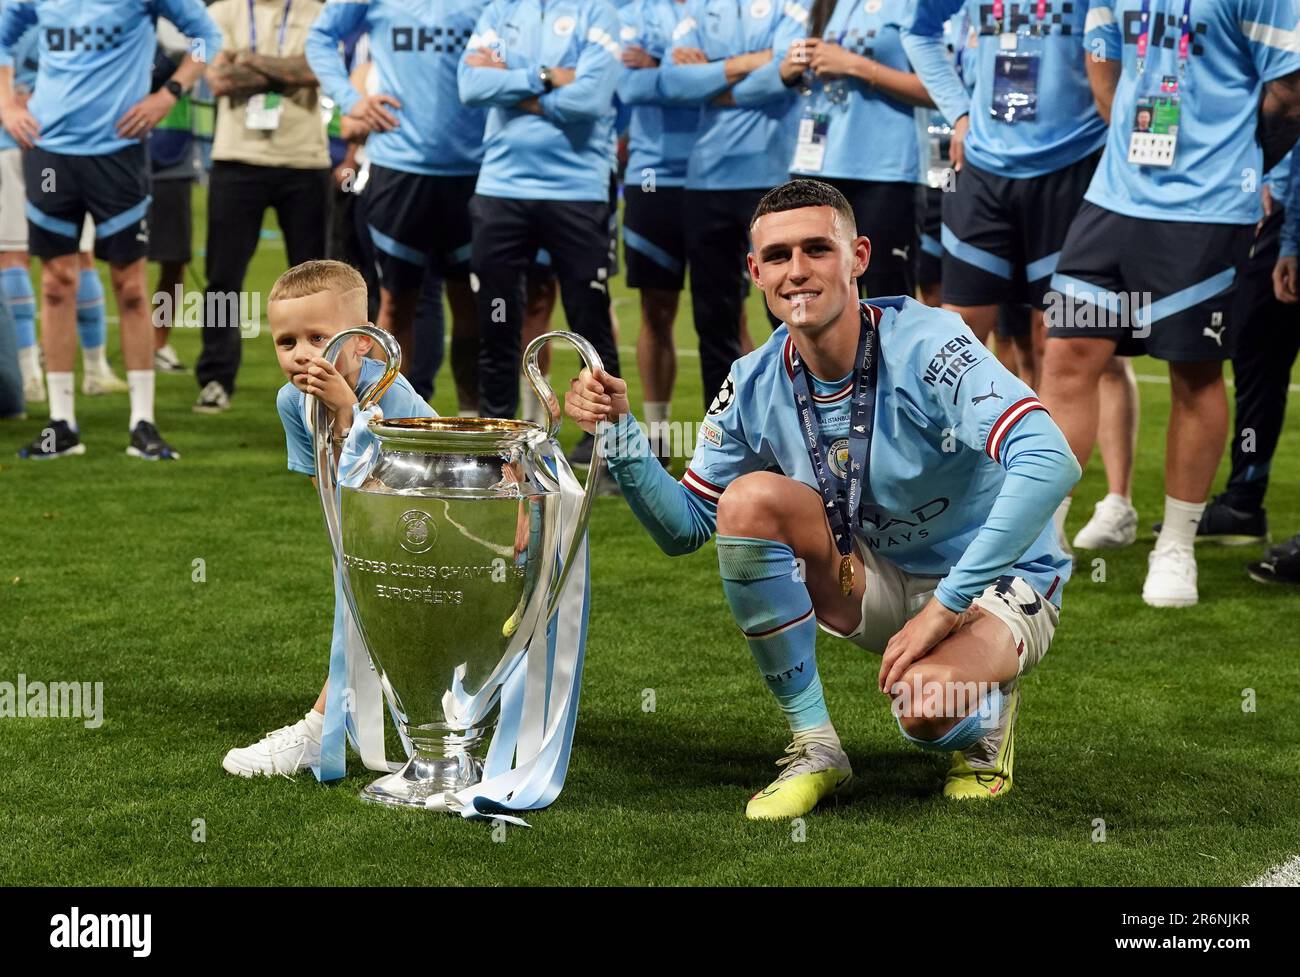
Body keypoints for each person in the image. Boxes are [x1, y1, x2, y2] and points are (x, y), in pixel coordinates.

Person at [567, 180, 1078, 817]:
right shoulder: (752, 380)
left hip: (995, 581)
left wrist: (945, 608)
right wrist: (619, 433)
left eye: (817, 249)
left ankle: (988, 717)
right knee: (747, 501)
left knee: (926, 713)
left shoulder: (930, 343)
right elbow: (686, 528)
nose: (798, 271)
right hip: (876, 572)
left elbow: (1051, 458)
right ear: (755, 271)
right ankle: (816, 747)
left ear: (858, 256)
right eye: (778, 257)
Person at [1040, 0, 1300, 607]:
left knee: (1194, 369)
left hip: (1206, 210)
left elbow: (1289, 91)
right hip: (1112, 200)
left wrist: (1235, 159)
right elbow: (1102, 56)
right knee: (1069, 354)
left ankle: (1176, 545)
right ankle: (1042, 536)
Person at [223, 259, 435, 777]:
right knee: (361, 614)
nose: (301, 354)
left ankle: (322, 731)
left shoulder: (392, 395)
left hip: (426, 526)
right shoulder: (290, 401)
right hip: (360, 532)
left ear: (364, 341)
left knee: (377, 620)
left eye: (318, 337)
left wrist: (348, 415)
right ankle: (374, 723)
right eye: (286, 341)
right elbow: (328, 489)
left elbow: (407, 487)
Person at [0, 0, 222, 460]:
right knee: (58, 283)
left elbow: (206, 36)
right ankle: (61, 424)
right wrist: (5, 104)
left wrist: (169, 93)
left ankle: (143, 423)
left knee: (132, 287)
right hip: (49, 151)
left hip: (119, 152)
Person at [308, 0, 486, 414]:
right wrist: (350, 99)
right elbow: (319, 37)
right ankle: (388, 424)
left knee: (472, 304)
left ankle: (471, 422)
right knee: (396, 302)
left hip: (474, 169)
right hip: (398, 171)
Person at [901, 0, 1107, 355]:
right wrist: (959, 112)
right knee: (959, 336)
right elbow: (918, 31)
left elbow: (1118, 38)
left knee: (1067, 343)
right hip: (983, 168)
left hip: (1075, 162)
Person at [457, 0, 623, 420]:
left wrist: (516, 92)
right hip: (501, 187)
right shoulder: (500, 12)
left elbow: (590, 98)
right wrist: (547, 78)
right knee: (496, 322)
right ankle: (499, 439)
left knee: (590, 323)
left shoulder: (597, 12)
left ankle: (605, 445)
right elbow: (471, 87)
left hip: (579, 189)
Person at [658, 0, 801, 409]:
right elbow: (672, 84)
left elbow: (790, 68)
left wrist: (714, 78)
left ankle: (810, 431)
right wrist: (754, 64)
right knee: (713, 320)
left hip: (778, 178)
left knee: (793, 314)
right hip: (707, 180)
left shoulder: (793, 6)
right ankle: (720, 440)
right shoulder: (700, 8)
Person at [194, 0, 331, 414]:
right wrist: (288, 68)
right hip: (237, 161)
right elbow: (217, 79)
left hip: (305, 162)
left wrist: (248, 59)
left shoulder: (319, 12)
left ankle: (324, 379)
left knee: (319, 286)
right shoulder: (221, 12)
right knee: (223, 278)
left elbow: (315, 71)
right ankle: (217, 377)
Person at [778, 0, 934, 298]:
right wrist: (790, 70)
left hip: (886, 172)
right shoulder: (824, 5)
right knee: (809, 291)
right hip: (816, 165)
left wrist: (852, 64)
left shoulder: (914, 6)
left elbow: (938, 90)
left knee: (885, 299)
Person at [617, 0, 700, 462]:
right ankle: (658, 434)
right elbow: (628, 85)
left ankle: (745, 434)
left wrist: (659, 66)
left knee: (727, 313)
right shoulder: (637, 11)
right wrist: (695, 71)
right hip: (652, 178)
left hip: (722, 172)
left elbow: (752, 78)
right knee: (656, 309)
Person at [148, 23, 203, 376]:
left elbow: (203, 50)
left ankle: (157, 344)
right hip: (114, 147)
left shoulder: (184, 16)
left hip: (172, 152)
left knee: (174, 257)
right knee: (95, 257)